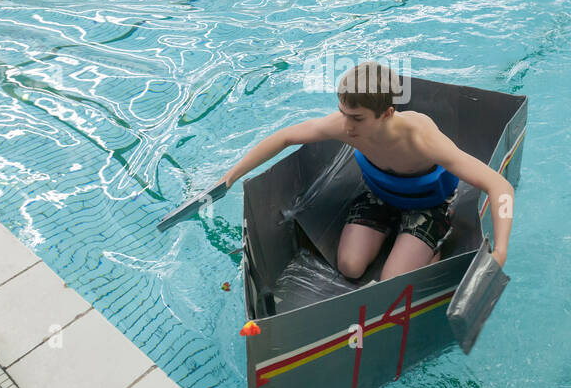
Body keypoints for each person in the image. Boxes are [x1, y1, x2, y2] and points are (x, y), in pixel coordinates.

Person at [218, 63, 515, 281]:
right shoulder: (344, 124)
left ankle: (435, 242)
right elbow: (285, 137)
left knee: (392, 282)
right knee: (349, 266)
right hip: (381, 197)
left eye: (357, 118)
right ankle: (398, 234)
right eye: (343, 112)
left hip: (429, 205)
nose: (346, 126)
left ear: (387, 114)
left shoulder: (421, 138)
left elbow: (499, 186)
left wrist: (499, 252)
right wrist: (230, 176)